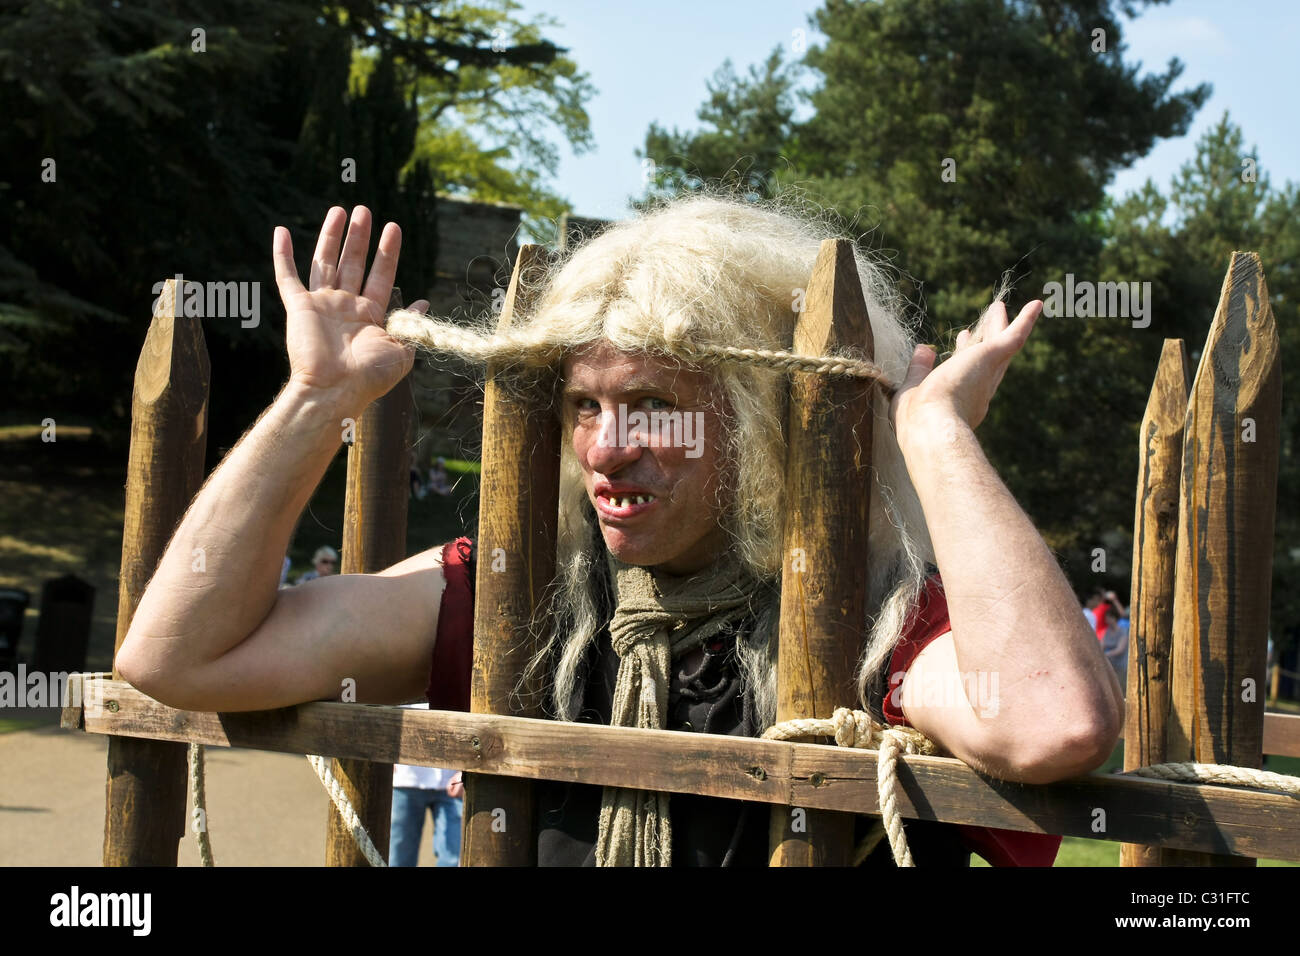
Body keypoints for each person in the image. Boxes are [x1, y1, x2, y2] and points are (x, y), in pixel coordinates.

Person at [116, 197, 1123, 867]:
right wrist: (313, 400)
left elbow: (1053, 721)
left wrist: (930, 430)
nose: (606, 447)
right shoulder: (515, 600)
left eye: (651, 404)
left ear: (760, 421)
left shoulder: (872, 628)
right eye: (584, 406)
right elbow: (175, 654)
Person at [389, 704, 464, 867]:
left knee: (454, 858)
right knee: (398, 856)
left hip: (453, 775)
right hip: (405, 775)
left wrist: (467, 770)